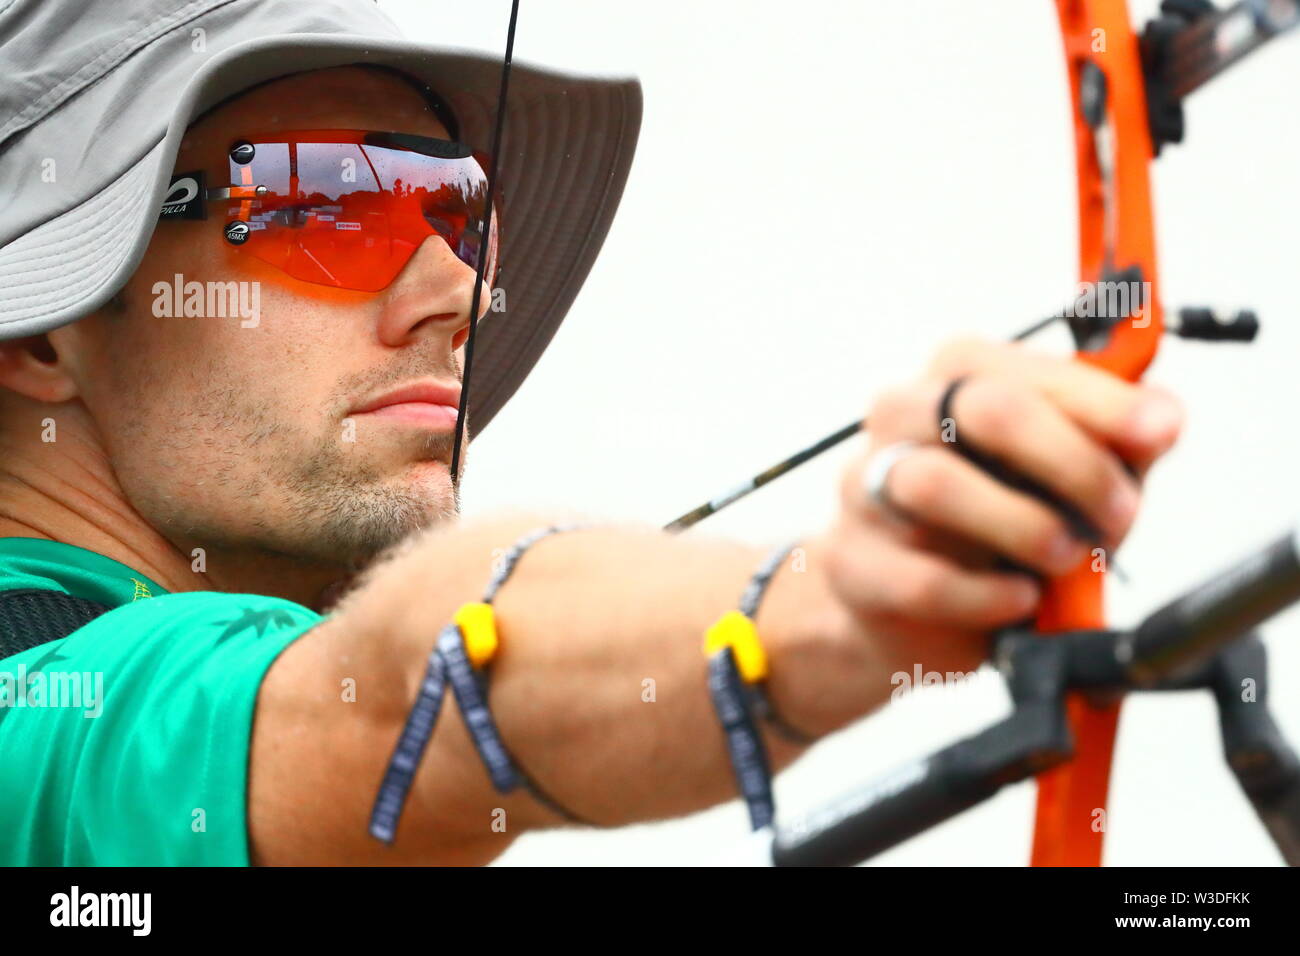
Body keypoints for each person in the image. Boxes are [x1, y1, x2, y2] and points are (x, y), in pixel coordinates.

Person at [0, 0, 1183, 865]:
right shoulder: (44, 719)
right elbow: (394, 685)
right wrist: (832, 608)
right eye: (325, 201)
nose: (454, 292)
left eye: (458, 210)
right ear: (43, 335)